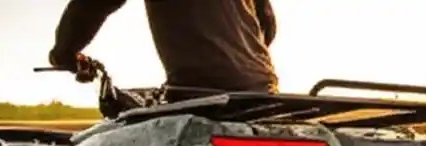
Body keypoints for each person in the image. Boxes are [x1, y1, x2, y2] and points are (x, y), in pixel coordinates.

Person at [48, 0, 279, 97]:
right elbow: (268, 24)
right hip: (263, 88)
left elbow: (89, 7)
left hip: (199, 91)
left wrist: (64, 53)